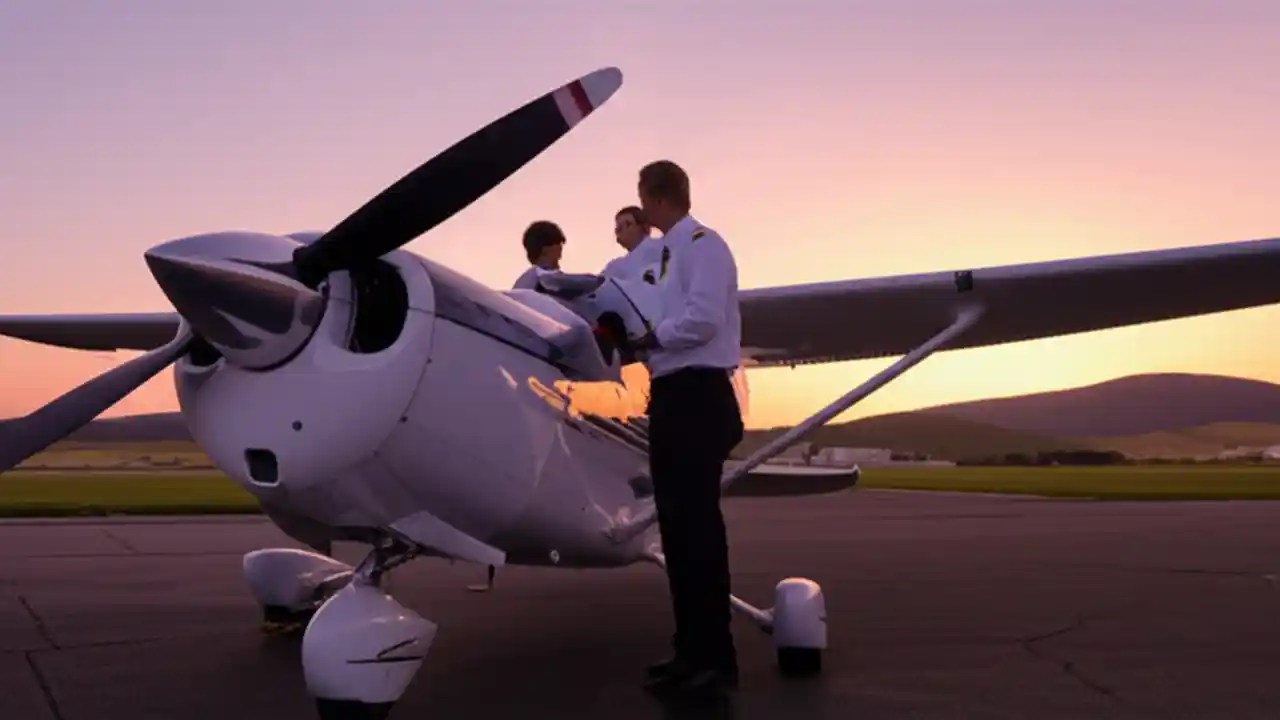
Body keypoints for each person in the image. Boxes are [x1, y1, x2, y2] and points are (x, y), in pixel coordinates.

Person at [631, 160, 743, 698]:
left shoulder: (704, 244)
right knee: (677, 530)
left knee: (698, 531)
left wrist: (652, 338)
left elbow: (703, 320)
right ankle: (688, 650)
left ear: (654, 197)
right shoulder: (670, 255)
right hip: (673, 398)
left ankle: (716, 659)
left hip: (699, 395)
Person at [602, 205, 662, 281]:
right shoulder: (617, 265)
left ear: (645, 227)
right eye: (618, 227)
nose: (620, 230)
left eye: (628, 224)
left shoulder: (660, 247)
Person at [512, 220, 566, 290]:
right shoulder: (550, 282)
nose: (560, 249)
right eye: (559, 244)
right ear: (546, 250)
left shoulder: (522, 284)